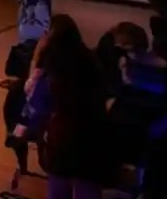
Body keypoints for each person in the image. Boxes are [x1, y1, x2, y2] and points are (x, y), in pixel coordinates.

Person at [17, 15, 111, 199]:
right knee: (88, 184)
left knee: (59, 184)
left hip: (64, 137)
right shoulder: (91, 61)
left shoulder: (51, 71)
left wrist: (24, 131)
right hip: (94, 133)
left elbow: (37, 107)